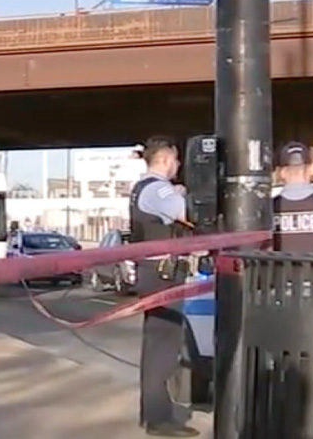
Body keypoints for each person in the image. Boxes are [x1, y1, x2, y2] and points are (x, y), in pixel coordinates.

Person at [129, 135, 199, 438]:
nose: (178, 166)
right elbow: (186, 213)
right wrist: (184, 192)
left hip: (153, 270)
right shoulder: (159, 189)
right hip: (163, 273)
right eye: (176, 161)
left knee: (157, 345)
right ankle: (159, 419)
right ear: (166, 160)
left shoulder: (141, 188)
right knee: (164, 347)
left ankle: (154, 414)